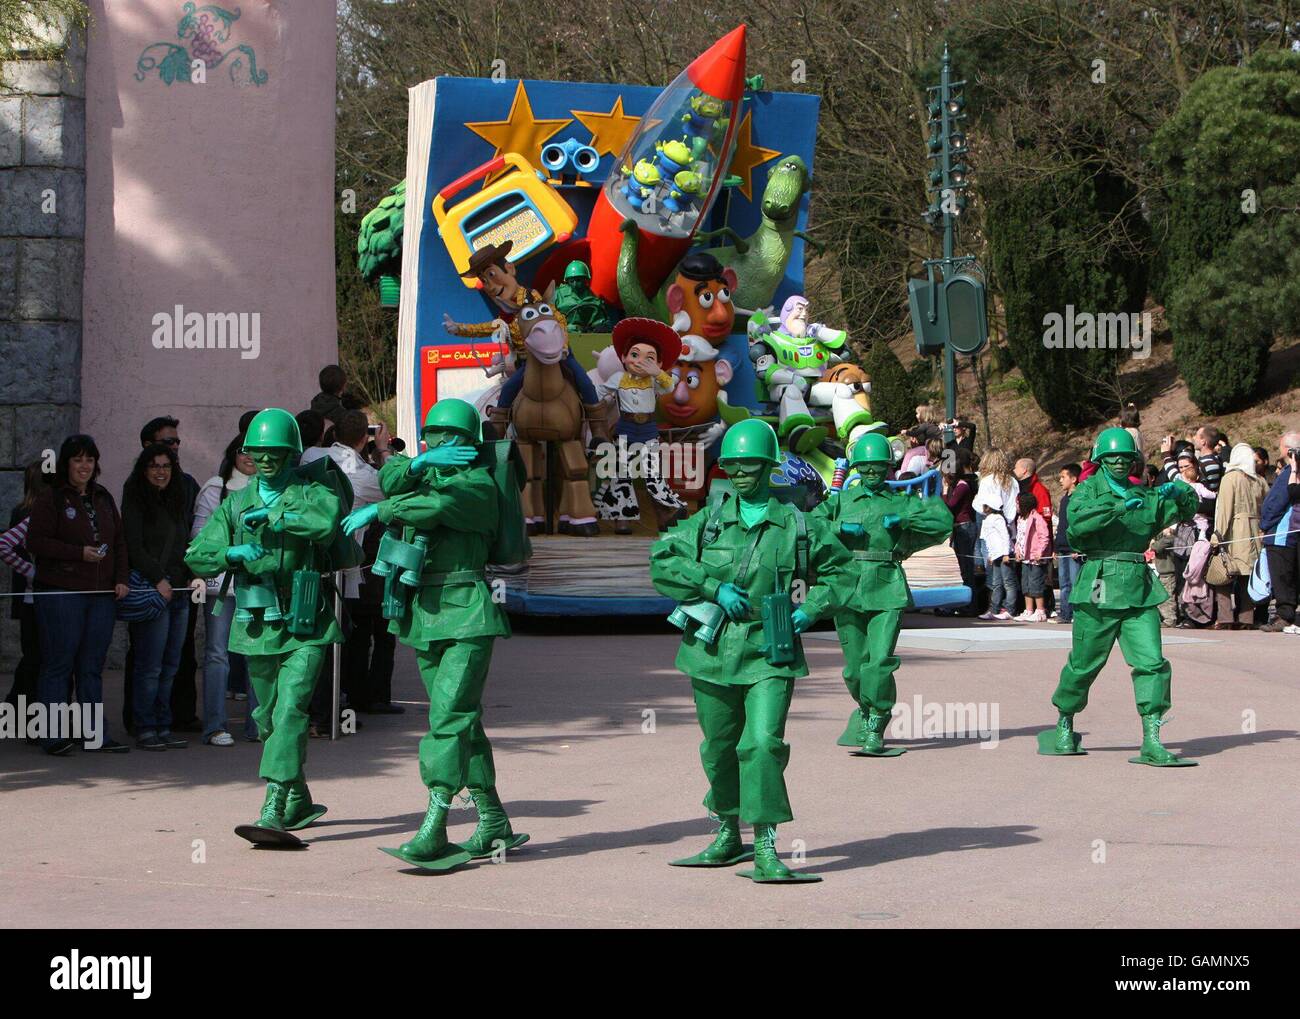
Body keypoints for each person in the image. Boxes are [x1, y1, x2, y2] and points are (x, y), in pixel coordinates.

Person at [650, 419, 852, 883]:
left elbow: (842, 573)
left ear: (770, 467)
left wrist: (812, 609)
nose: (739, 473)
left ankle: (765, 843)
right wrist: (712, 586)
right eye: (731, 465)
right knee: (718, 748)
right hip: (712, 648)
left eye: (749, 464)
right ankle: (726, 834)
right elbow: (662, 559)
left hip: (771, 647)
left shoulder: (799, 524)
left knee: (761, 744)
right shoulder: (711, 519)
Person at [342, 399, 521, 871]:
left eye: (450, 437)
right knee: (462, 720)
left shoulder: (479, 485)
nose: (440, 442)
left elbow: (436, 507)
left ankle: (436, 822)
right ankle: (493, 819)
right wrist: (418, 462)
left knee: (448, 719)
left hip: (466, 611)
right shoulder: (425, 471)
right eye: (433, 435)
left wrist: (381, 512)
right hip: (425, 613)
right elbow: (391, 476)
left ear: (469, 444)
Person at [186, 409, 355, 844]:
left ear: (291, 454)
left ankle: (273, 807)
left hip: (305, 621)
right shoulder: (235, 503)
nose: (264, 460)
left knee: (289, 710)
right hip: (257, 622)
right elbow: (197, 554)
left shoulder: (312, 491)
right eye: (256, 452)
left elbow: (325, 523)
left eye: (274, 453)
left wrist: (278, 518)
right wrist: (230, 554)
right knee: (265, 719)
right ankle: (299, 797)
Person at [1041, 427, 1199, 766]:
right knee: (1085, 664)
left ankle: (1152, 738)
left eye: (1125, 457)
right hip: (1099, 582)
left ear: (1133, 460)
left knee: (1152, 664)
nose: (1117, 462)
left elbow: (1187, 508)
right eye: (1111, 457)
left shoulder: (1144, 495)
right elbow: (1077, 530)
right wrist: (1117, 509)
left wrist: (1178, 488)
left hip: (1138, 588)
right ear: (1099, 460)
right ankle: (1065, 720)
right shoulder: (1085, 492)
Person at [815, 431, 953, 755]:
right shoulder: (841, 501)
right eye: (866, 468)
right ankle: (863, 709)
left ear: (889, 468)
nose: (872, 474)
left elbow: (942, 521)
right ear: (856, 469)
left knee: (878, 662)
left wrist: (905, 519)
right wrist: (837, 528)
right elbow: (810, 526)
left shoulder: (901, 500)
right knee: (854, 669)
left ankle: (877, 720)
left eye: (878, 468)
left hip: (887, 584)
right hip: (848, 584)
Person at [26, 435, 129, 755]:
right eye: (77, 459)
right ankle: (53, 735)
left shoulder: (103, 496)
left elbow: (120, 541)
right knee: (59, 663)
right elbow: (36, 542)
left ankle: (94, 733)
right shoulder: (50, 498)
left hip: (101, 594)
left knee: (91, 666)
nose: (84, 466)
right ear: (65, 464)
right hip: (61, 591)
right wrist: (78, 553)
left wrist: (121, 578)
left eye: (89, 459)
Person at [322, 409, 401, 715]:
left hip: (317, 566)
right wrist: (382, 450)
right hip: (346, 569)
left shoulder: (313, 457)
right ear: (362, 438)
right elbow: (397, 489)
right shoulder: (363, 475)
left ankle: (333, 707)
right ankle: (341, 709)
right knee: (348, 641)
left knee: (332, 642)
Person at [121, 443, 193, 751]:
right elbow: (134, 547)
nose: (161, 471)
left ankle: (163, 725)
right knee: (149, 665)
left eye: (166, 466)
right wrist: (158, 579)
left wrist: (187, 577)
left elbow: (182, 545)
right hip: (153, 590)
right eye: (154, 466)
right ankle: (145, 726)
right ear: (144, 469)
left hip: (178, 591)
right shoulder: (136, 499)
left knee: (170, 665)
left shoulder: (177, 498)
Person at [193, 434, 257, 744]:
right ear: (232, 452)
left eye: (256, 450)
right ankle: (215, 725)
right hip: (221, 585)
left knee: (257, 653)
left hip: (257, 584)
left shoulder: (269, 489)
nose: (249, 456)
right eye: (243, 450)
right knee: (218, 654)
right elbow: (200, 538)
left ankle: (258, 725)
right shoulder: (214, 488)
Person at [1, 461, 50, 707]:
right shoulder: (30, 514)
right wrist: (33, 572)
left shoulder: (23, 510)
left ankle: (16, 707)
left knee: (33, 657)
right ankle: (21, 708)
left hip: (30, 592)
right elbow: (9, 547)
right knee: (36, 659)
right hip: (35, 592)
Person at [1209, 443, 1267, 629]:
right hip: (1255, 531)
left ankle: (1225, 618)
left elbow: (1224, 510)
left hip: (1234, 531)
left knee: (1223, 574)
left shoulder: (1230, 478)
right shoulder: (1259, 480)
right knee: (1247, 577)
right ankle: (1246, 619)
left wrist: (1217, 536)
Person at [1259, 433, 1300, 633]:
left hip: (1282, 531)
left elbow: (1277, 502)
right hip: (1288, 531)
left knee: (1282, 576)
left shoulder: (1289, 472)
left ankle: (1285, 615)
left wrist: (1265, 523)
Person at [973, 449, 1019, 621]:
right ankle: (1000, 607)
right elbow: (1014, 507)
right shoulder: (1012, 481)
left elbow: (980, 505)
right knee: (1005, 575)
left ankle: (1001, 606)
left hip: (993, 531)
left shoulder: (987, 481)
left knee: (996, 575)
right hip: (1009, 526)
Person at [941, 448, 979, 615]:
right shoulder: (956, 485)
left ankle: (970, 605)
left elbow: (949, 505)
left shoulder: (962, 486)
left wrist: (944, 490)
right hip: (958, 527)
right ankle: (960, 602)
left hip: (965, 526)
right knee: (960, 567)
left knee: (966, 566)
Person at [1014, 491, 1050, 622]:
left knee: (1036, 583)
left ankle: (1040, 611)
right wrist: (1017, 550)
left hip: (1035, 558)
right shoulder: (1020, 519)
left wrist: (1040, 551)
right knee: (1026, 584)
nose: (1016, 505)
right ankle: (1028, 610)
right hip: (1025, 558)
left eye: (1017, 503)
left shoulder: (1036, 518)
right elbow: (1019, 537)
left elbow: (1044, 536)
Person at [1054, 464, 1081, 624]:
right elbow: (1062, 525)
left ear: (1074, 479)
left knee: (1075, 581)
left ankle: (1078, 614)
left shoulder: (1078, 498)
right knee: (1064, 583)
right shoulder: (1064, 499)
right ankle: (1065, 613)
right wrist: (1056, 547)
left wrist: (1078, 546)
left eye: (1063, 477)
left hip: (1073, 549)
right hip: (1063, 547)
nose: (1060, 480)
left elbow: (1078, 525)